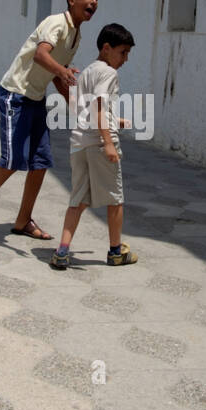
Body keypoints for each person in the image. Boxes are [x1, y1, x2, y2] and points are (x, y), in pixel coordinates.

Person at [0, 0, 98, 243]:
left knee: (40, 162)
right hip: (16, 94)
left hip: (35, 98)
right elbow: (41, 56)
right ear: (72, 0)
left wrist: (80, 111)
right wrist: (62, 71)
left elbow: (58, 77)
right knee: (13, 159)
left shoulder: (76, 35)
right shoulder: (56, 23)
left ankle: (23, 219)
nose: (93, 2)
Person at [50, 23, 136, 269]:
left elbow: (81, 108)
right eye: (123, 52)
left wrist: (114, 119)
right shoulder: (109, 73)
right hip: (99, 143)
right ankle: (116, 251)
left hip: (79, 143)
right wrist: (108, 142)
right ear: (107, 48)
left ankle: (63, 251)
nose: (125, 59)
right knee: (115, 199)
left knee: (77, 199)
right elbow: (98, 106)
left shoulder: (87, 71)